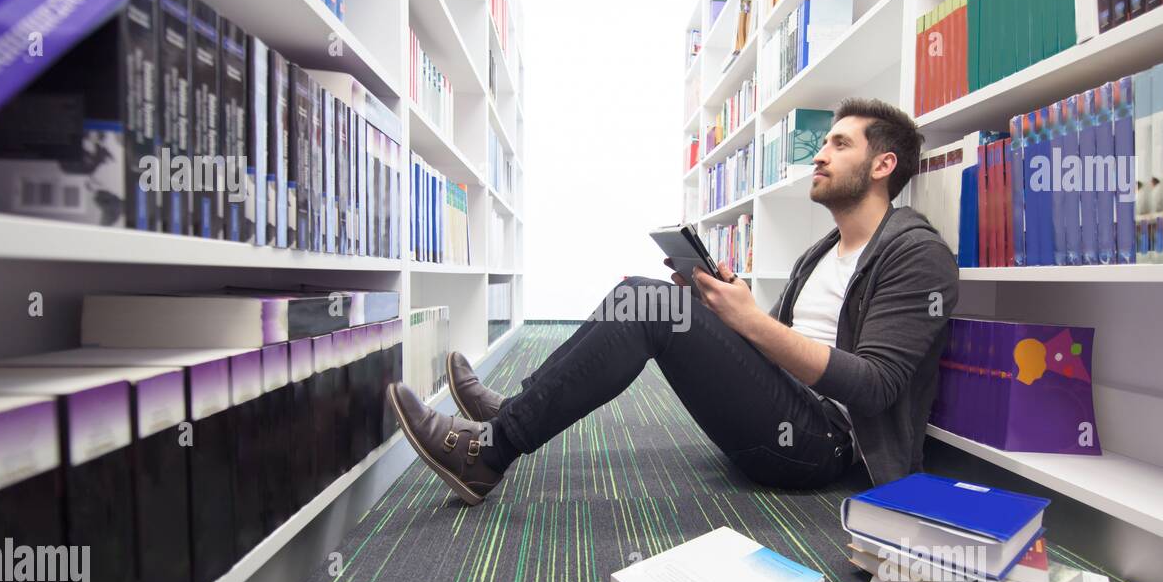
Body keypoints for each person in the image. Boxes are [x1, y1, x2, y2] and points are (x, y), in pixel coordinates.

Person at [388, 97, 960, 506]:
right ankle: (515, 407)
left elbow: (876, 387)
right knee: (644, 295)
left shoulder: (917, 256)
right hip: (789, 411)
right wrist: (719, 309)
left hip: (823, 448)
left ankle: (487, 454)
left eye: (840, 144)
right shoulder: (824, 251)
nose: (820, 154)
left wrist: (751, 323)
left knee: (648, 303)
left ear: (884, 165)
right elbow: (787, 348)